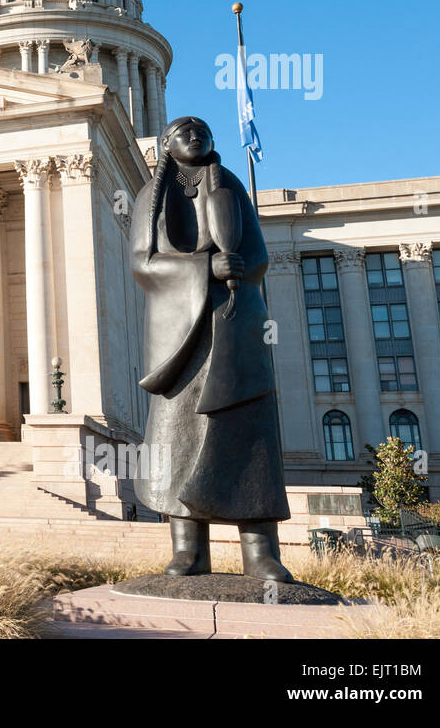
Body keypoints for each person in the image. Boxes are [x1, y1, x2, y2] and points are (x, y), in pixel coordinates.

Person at [130, 115, 292, 582]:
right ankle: (188, 550)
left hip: (234, 323)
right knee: (178, 439)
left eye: (202, 131)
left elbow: (259, 254)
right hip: (182, 336)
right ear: (166, 143)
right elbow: (143, 264)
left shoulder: (233, 188)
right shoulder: (151, 197)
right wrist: (205, 269)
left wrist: (236, 270)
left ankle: (260, 553)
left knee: (245, 433)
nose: (195, 136)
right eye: (184, 131)